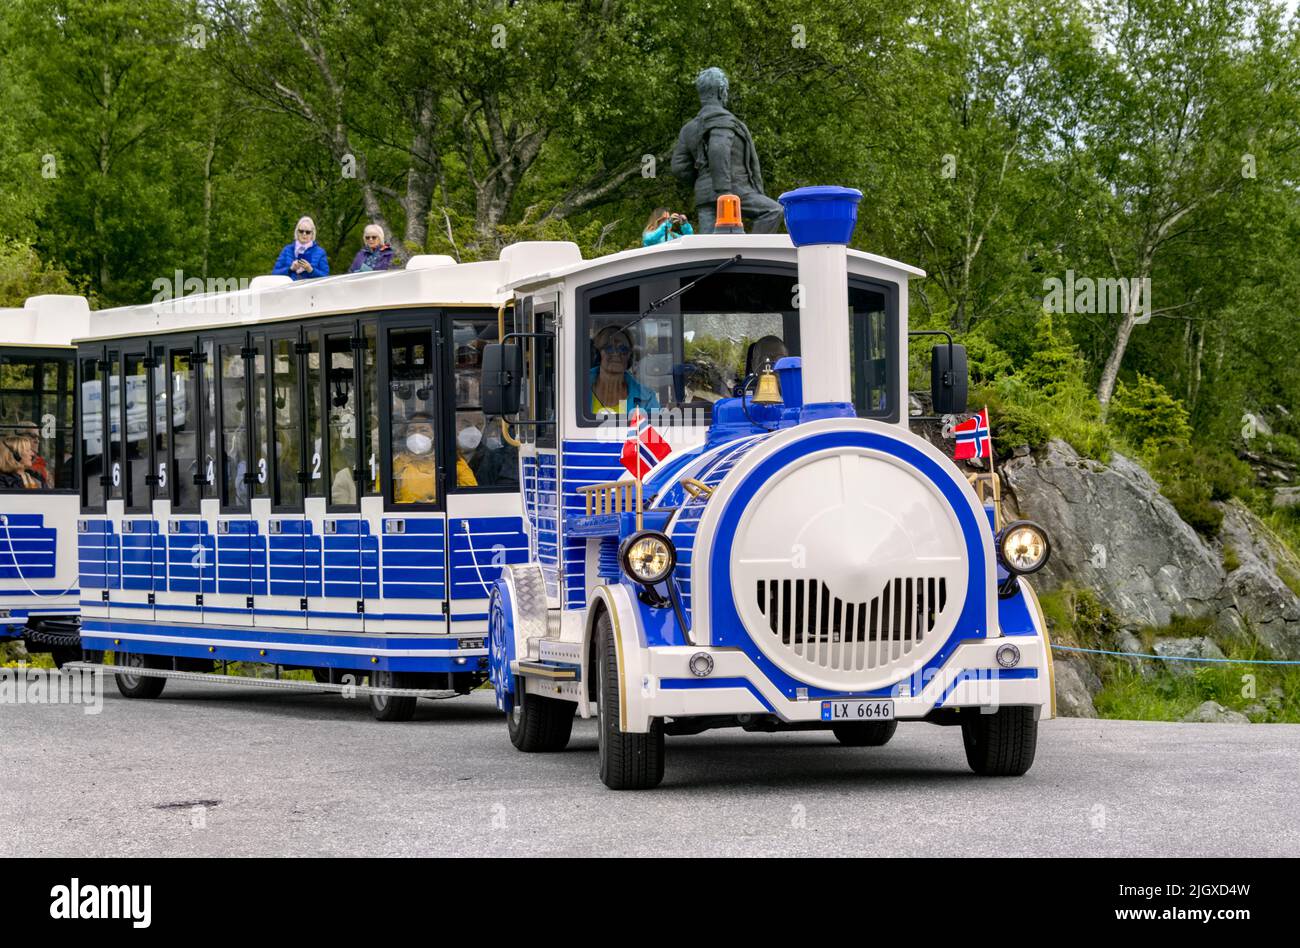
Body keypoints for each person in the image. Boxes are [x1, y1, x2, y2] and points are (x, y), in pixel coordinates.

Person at [670, 67, 784, 234]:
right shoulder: (724, 121)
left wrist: (703, 180)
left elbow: (678, 167)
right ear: (721, 91)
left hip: (705, 196)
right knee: (773, 211)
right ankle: (751, 253)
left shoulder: (688, 128)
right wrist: (724, 193)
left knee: (711, 247)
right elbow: (718, 149)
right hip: (734, 190)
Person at [589, 325, 661, 416]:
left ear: (629, 357)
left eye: (623, 349)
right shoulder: (577, 389)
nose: (616, 353)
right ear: (598, 354)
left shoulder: (646, 398)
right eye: (609, 348)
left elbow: (655, 428)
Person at [392, 411, 438, 504]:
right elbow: (384, 500)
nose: (416, 435)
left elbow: (464, 494)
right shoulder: (395, 463)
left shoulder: (449, 461)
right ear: (406, 434)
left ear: (435, 434)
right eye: (411, 430)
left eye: (423, 430)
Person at [20, 422, 50, 488]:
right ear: (19, 438)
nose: (37, 441)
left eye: (38, 438)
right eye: (33, 436)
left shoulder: (41, 463)